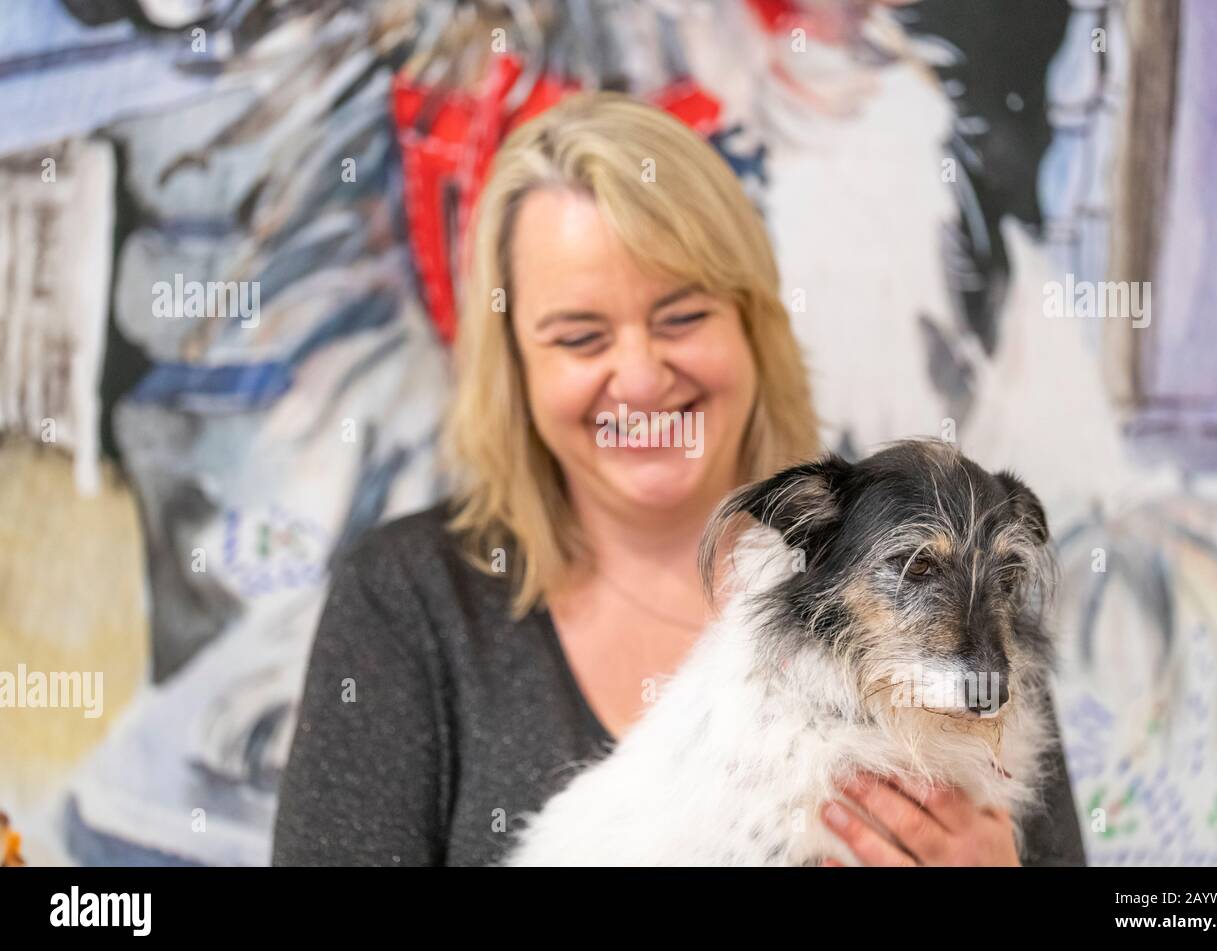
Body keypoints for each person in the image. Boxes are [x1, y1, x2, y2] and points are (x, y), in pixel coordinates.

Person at [271, 91, 1086, 866]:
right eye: (580, 336)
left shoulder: (963, 594)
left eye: (683, 316)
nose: (640, 377)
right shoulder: (410, 598)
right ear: (514, 367)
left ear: (753, 325)